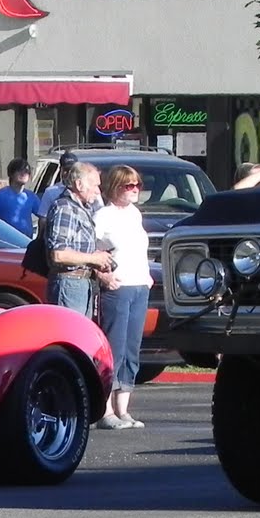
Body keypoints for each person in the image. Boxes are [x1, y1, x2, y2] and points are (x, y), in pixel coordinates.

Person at [92, 165, 154, 429]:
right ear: (114, 187)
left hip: (139, 284)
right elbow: (91, 250)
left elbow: (138, 250)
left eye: (137, 184)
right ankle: (105, 410)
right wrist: (102, 276)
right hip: (118, 287)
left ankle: (123, 409)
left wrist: (147, 276)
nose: (134, 189)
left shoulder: (135, 214)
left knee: (131, 348)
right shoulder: (103, 215)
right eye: (129, 185)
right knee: (114, 347)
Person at [43, 160, 116, 318]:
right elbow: (58, 254)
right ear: (79, 184)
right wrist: (93, 258)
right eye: (95, 185)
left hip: (80, 283)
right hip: (69, 283)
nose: (98, 191)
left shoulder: (81, 208)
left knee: (81, 331)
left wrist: (97, 258)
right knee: (70, 331)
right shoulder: (65, 208)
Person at [0, 158, 38, 236]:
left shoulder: (31, 196)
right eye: (20, 170)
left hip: (26, 241)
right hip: (5, 241)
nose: (23, 173)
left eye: (26, 171)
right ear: (11, 173)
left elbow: (44, 215)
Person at [37, 149, 79, 221]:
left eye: (72, 170)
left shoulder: (85, 191)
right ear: (60, 170)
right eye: (66, 170)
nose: (69, 173)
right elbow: (43, 219)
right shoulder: (51, 192)